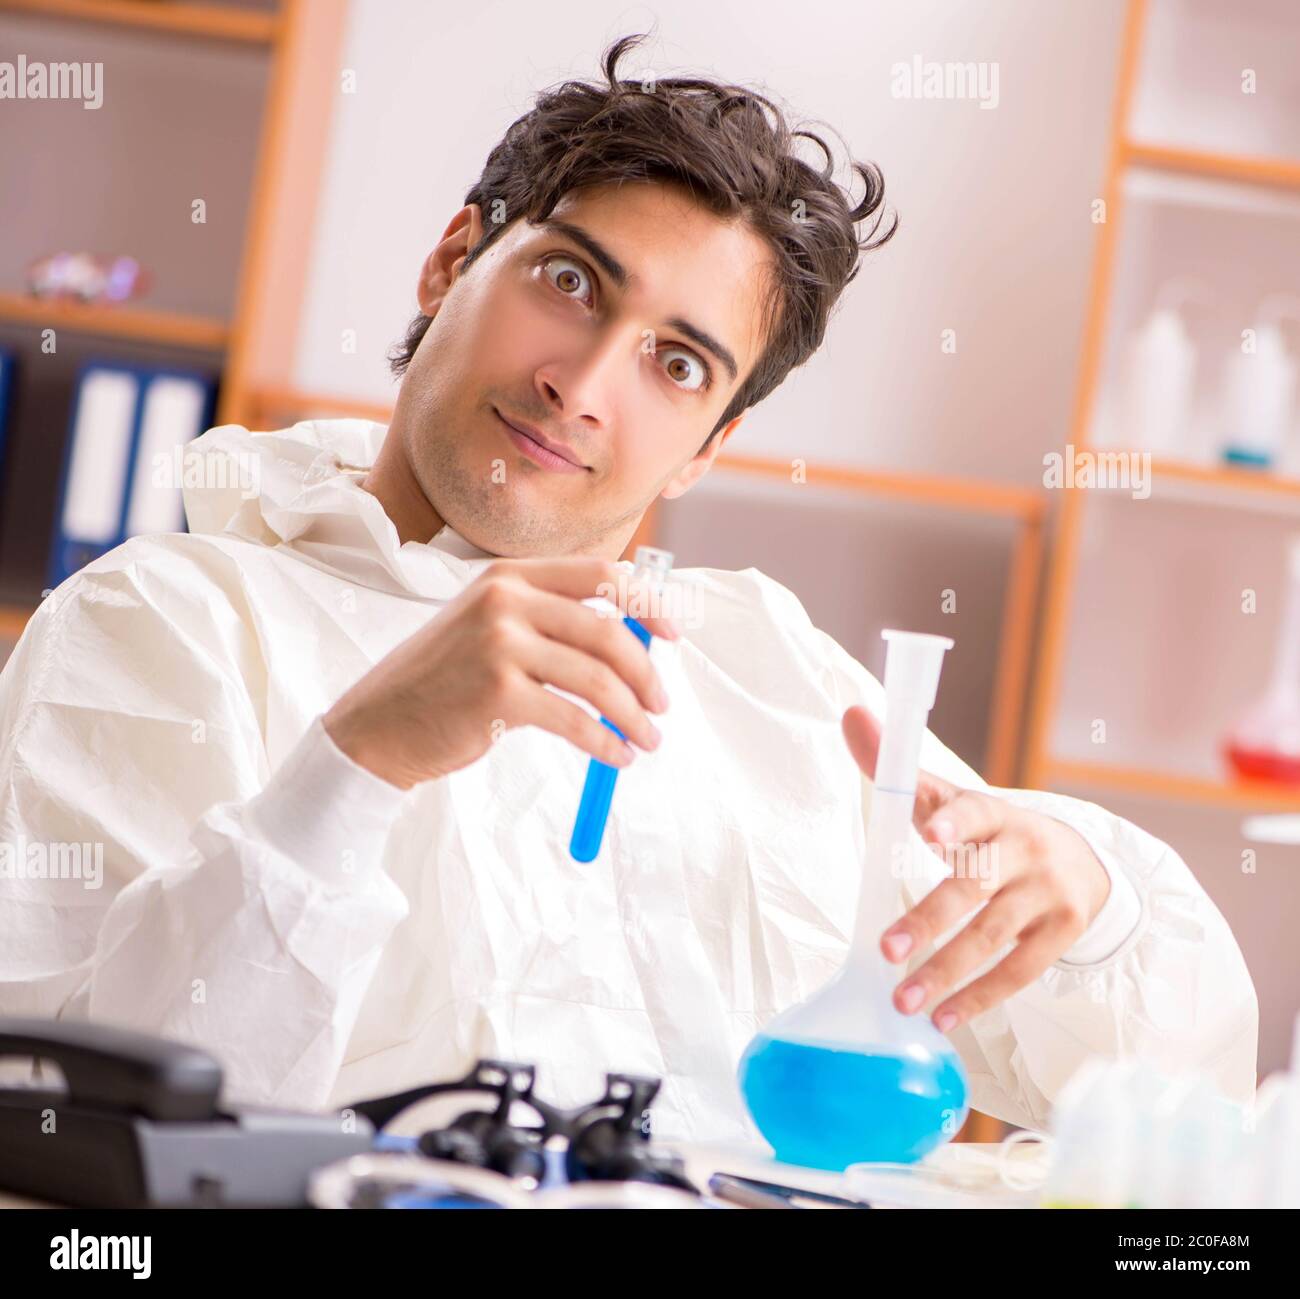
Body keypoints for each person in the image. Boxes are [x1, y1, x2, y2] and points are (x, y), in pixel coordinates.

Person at [0, 36, 1256, 1142]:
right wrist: (358, 763)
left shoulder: (771, 680)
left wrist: (1081, 890)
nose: (586, 384)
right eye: (569, 283)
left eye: (678, 362)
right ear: (451, 262)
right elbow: (80, 1122)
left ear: (713, 446)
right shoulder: (162, 621)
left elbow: (1171, 1104)